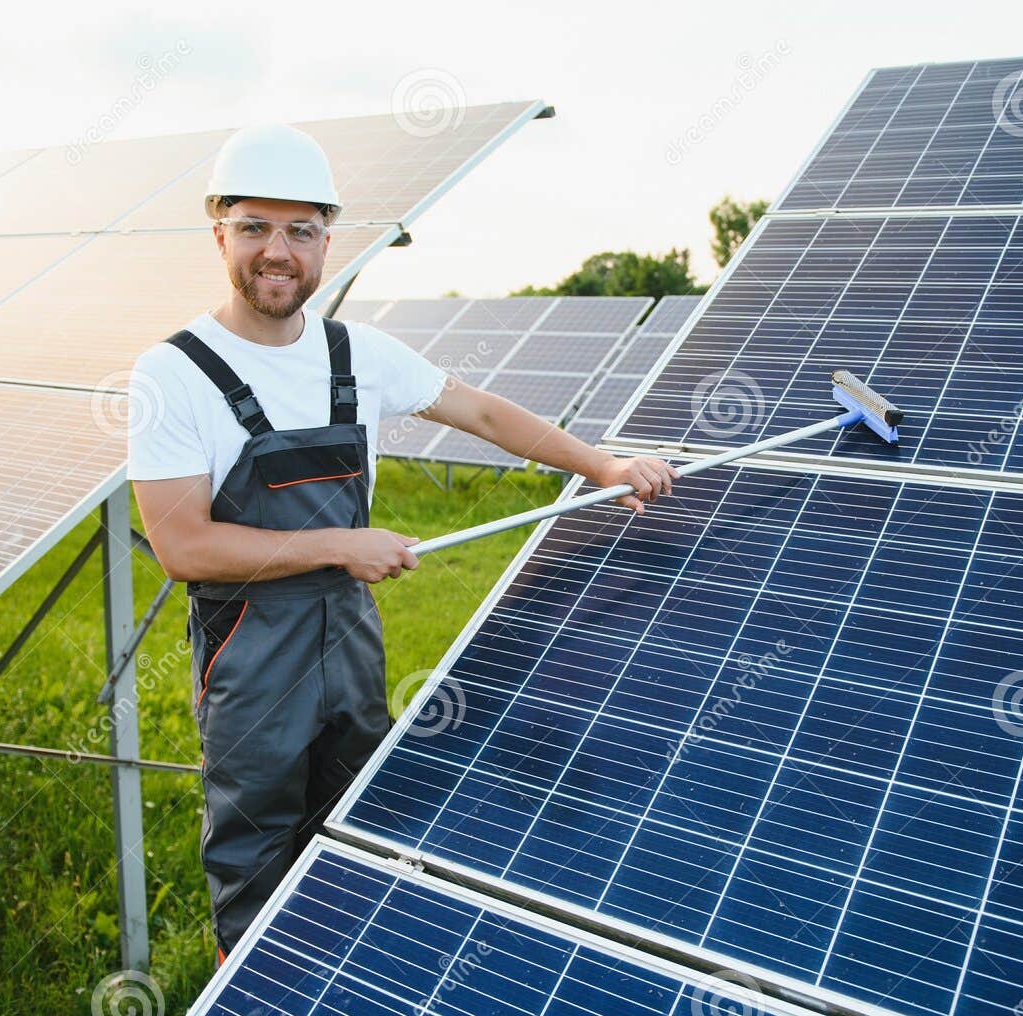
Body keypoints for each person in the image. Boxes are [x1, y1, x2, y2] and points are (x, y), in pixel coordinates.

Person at [126, 123, 678, 963]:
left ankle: (352, 996)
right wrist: (339, 547)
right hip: (248, 651)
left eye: (300, 230)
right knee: (255, 849)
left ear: (325, 241)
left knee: (358, 826)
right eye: (255, 227)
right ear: (218, 232)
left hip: (348, 638)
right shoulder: (173, 374)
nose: (278, 250)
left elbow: (485, 413)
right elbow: (183, 548)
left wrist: (600, 463)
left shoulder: (358, 352)